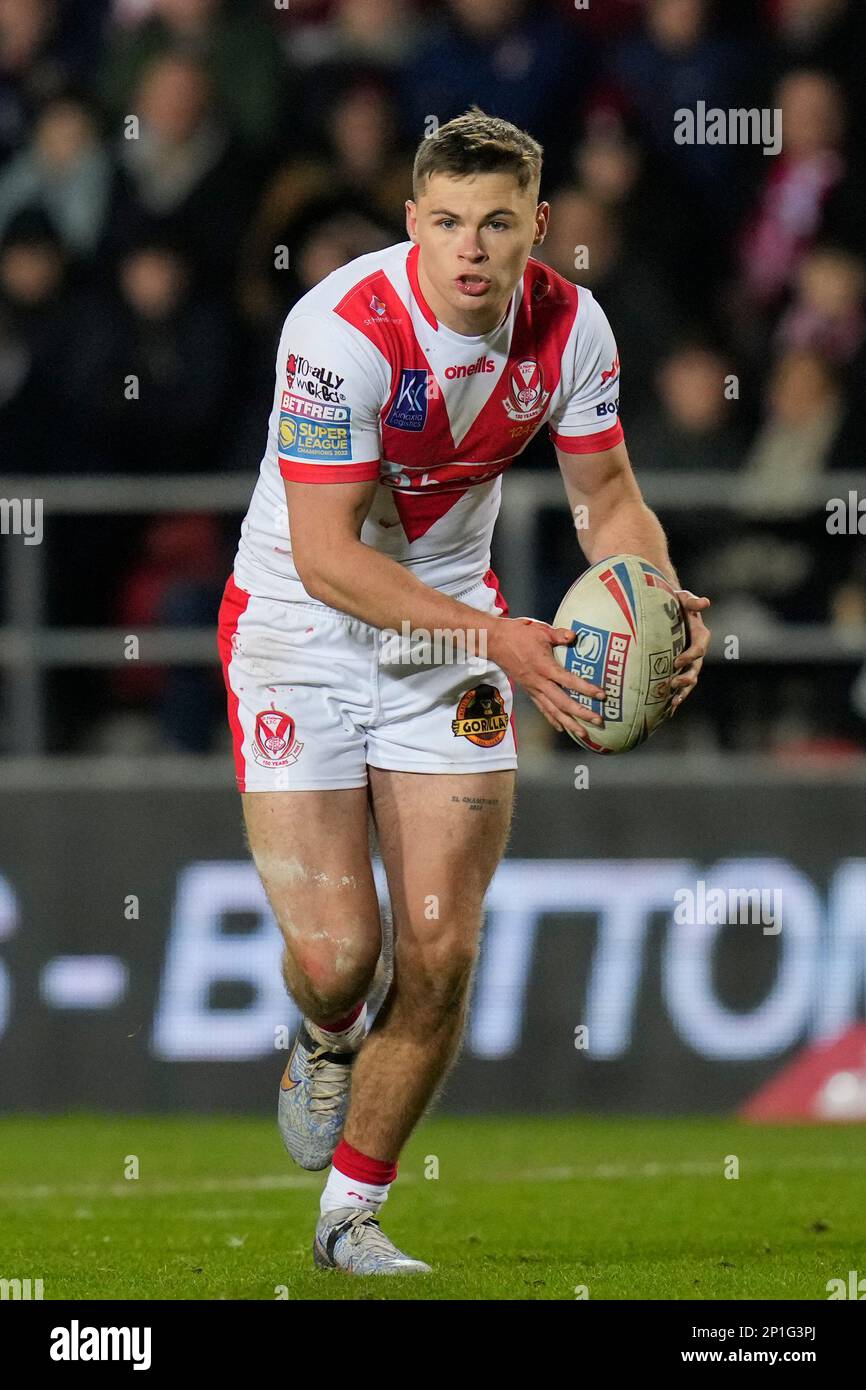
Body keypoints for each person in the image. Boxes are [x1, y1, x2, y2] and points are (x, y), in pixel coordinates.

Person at [217, 106, 710, 1275]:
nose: (472, 248)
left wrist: (652, 595)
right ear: (411, 223)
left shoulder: (571, 326)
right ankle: (327, 1035)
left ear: (538, 225)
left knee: (437, 947)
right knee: (343, 959)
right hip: (300, 630)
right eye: (446, 222)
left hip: (456, 643)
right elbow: (332, 555)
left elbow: (603, 498)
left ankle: (349, 1216)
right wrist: (502, 634)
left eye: (497, 223)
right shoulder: (337, 328)